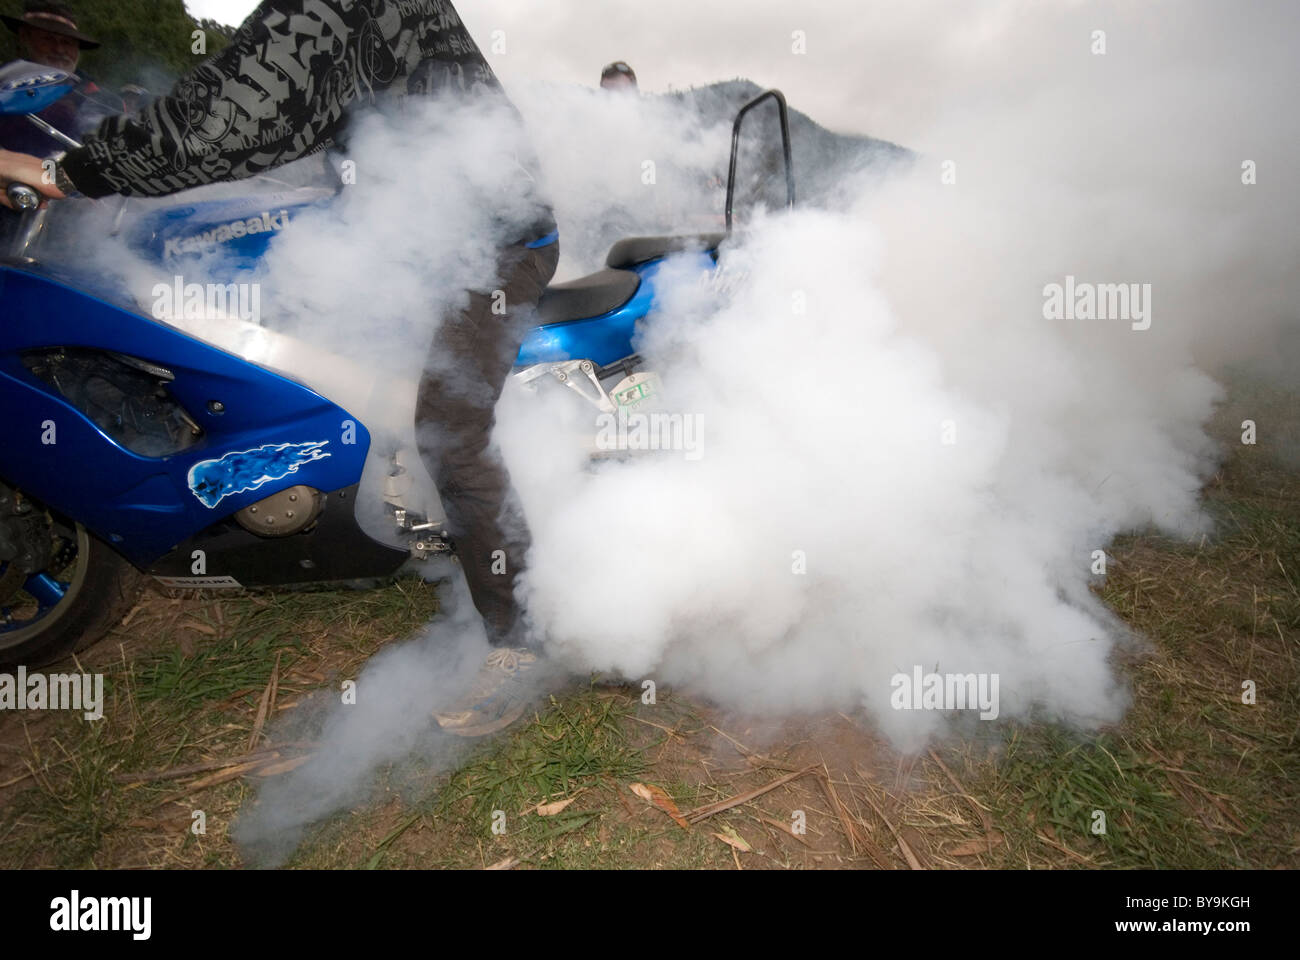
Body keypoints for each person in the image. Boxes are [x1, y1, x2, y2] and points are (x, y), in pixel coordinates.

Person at [0, 0, 559, 735]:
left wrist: (64, 172)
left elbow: (231, 113)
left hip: (489, 240)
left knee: (448, 426)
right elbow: (274, 118)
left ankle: (522, 645)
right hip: (424, 231)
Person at [0, 1, 121, 156]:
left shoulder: (98, 97)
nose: (59, 49)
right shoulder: (4, 82)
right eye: (48, 39)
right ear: (24, 37)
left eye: (67, 42)